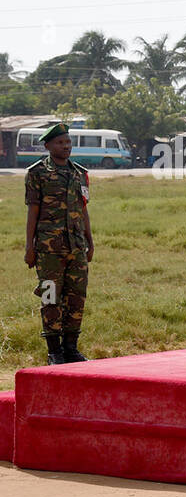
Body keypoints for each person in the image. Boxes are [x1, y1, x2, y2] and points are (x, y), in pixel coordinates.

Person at [24, 122, 93, 365]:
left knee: (76, 298)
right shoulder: (37, 173)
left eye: (68, 142)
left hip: (77, 248)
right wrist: (29, 247)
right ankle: (54, 351)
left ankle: (71, 348)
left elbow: (83, 211)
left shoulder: (79, 173)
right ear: (48, 145)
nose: (66, 147)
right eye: (60, 143)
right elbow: (33, 211)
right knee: (50, 296)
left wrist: (90, 242)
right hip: (49, 249)